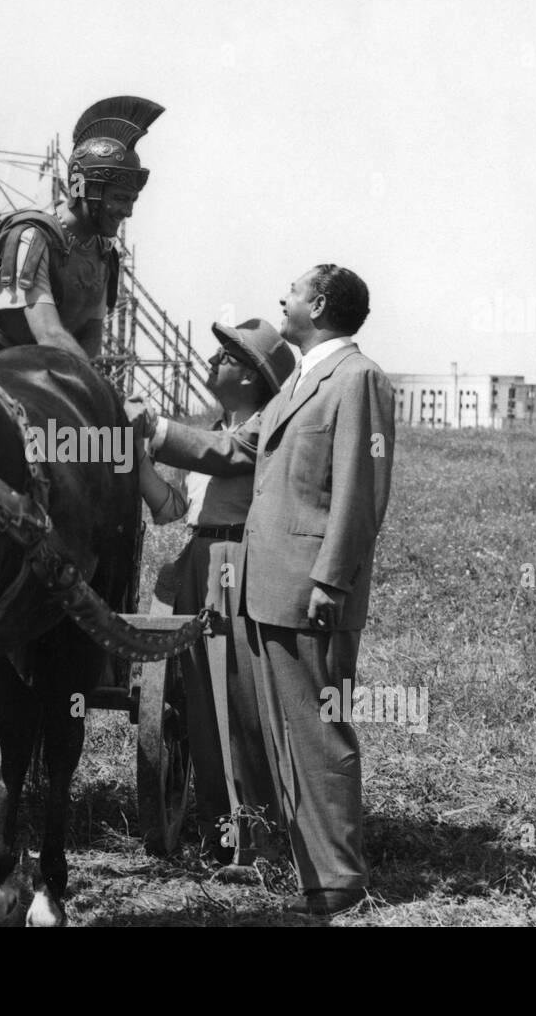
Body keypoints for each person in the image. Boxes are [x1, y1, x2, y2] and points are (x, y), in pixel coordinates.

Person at [127, 264, 394, 916]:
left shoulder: (357, 378)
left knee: (318, 728)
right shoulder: (299, 384)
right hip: (270, 586)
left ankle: (337, 881)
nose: (283, 297)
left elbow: (361, 491)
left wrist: (331, 578)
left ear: (319, 304)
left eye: (294, 291)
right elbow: (233, 450)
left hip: (310, 589)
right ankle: (296, 861)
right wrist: (153, 430)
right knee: (282, 728)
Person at [132, 320, 296, 873]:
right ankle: (221, 837)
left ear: (249, 376)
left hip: (236, 560)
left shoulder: (264, 426)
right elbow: (173, 509)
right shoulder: (216, 429)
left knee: (241, 704)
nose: (209, 362)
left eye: (223, 357)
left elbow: (225, 455)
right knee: (202, 702)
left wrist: (155, 426)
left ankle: (259, 843)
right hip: (199, 559)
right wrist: (138, 460)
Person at [0, 97, 163, 361]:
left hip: (54, 371)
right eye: (120, 198)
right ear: (83, 189)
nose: (127, 211)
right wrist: (89, 381)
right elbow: (49, 334)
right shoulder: (32, 239)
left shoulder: (103, 253)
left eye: (132, 200)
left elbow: (91, 336)